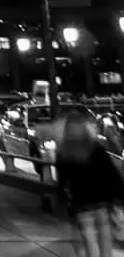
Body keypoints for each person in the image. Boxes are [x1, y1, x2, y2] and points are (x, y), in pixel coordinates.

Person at [56, 109, 124, 256]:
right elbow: (111, 174)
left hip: (81, 203)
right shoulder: (96, 148)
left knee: (89, 240)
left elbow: (62, 181)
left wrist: (61, 202)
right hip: (101, 202)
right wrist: (118, 196)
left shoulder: (63, 152)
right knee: (105, 238)